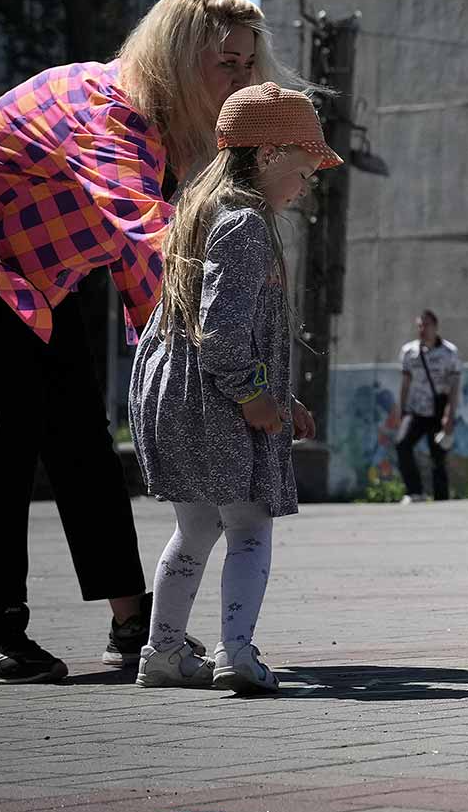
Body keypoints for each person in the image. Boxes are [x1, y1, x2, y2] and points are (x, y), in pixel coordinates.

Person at [0, 0, 283, 684]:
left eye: (250, 63)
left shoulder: (174, 140)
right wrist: (233, 334)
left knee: (80, 433)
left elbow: (145, 275)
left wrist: (197, 355)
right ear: (181, 59)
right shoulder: (107, 109)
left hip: (37, 279)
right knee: (4, 417)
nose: (241, 79)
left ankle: (134, 624)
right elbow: (149, 236)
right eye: (227, 63)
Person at [129, 84, 336, 695]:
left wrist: (279, 395)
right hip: (214, 401)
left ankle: (163, 652)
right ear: (269, 154)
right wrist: (253, 394)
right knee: (249, 525)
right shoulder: (246, 223)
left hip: (175, 395)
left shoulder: (204, 210)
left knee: (194, 529)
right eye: (303, 170)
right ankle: (236, 652)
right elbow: (223, 333)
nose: (306, 187)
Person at [388, 311, 463, 502]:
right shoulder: (409, 352)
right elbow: (405, 384)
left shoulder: (449, 352)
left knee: (438, 456)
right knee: (402, 444)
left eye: (426, 325)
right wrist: (400, 410)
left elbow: (454, 386)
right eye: (420, 325)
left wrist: (449, 414)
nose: (422, 329)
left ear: (435, 327)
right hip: (416, 410)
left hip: (439, 411)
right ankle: (415, 492)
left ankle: (441, 499)